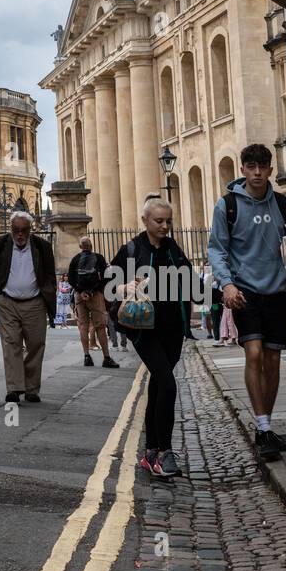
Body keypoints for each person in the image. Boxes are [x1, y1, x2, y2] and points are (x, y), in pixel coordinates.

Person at [208, 143, 286, 462]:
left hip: (276, 292)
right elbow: (216, 249)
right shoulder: (227, 206)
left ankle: (266, 424)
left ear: (271, 170)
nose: (257, 172)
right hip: (244, 292)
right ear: (242, 169)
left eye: (263, 166)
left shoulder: (284, 206)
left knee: (273, 362)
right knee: (254, 352)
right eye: (251, 166)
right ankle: (261, 428)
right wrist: (227, 284)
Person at [108, 197, 199, 480]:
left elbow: (192, 283)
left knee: (159, 385)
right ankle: (164, 453)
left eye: (169, 221)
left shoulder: (173, 249)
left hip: (173, 328)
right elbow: (108, 286)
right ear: (145, 220)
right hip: (144, 330)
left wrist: (225, 295)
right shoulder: (131, 250)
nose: (165, 226)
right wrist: (125, 286)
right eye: (159, 221)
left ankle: (149, 453)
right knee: (168, 384)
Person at [0, 211, 57, 403]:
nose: (19, 235)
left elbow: (51, 275)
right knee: (11, 345)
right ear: (10, 229)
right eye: (16, 230)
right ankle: (14, 388)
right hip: (7, 302)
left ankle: (32, 389)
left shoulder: (42, 246)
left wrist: (47, 296)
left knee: (35, 345)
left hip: (34, 302)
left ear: (30, 230)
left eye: (23, 230)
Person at [68, 236, 119, 369]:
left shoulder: (75, 259)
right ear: (91, 246)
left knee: (83, 326)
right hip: (95, 295)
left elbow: (71, 279)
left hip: (80, 296)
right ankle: (106, 357)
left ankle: (86, 356)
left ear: (80, 247)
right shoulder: (99, 258)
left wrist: (81, 291)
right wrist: (93, 291)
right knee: (100, 326)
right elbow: (105, 277)